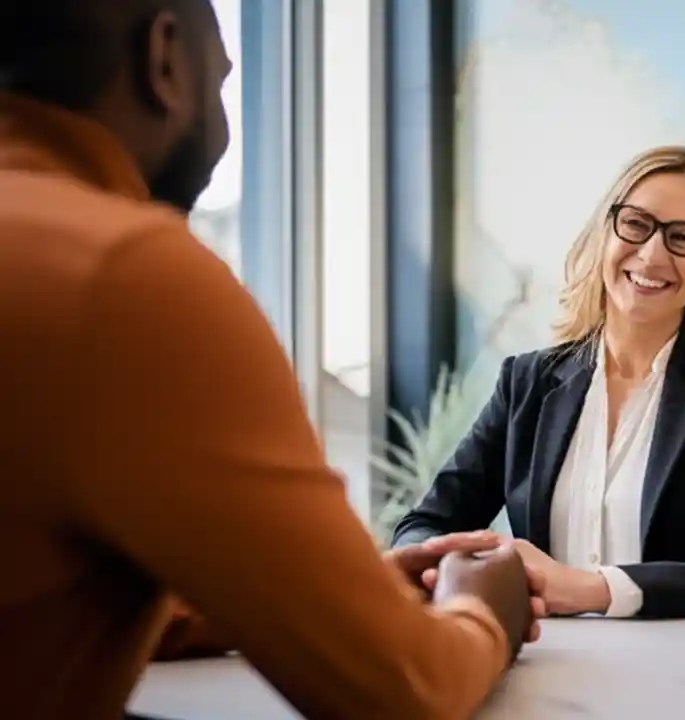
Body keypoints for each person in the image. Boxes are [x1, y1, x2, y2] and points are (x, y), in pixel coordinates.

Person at [0, 1, 541, 717]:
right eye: (224, 81)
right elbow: (406, 692)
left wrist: (330, 595)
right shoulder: (123, 273)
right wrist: (485, 610)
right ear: (165, 59)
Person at [393, 146, 685, 619]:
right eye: (636, 224)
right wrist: (438, 569)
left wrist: (596, 589)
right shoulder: (527, 384)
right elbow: (426, 525)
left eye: (682, 237)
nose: (653, 254)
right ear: (604, 234)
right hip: (546, 657)